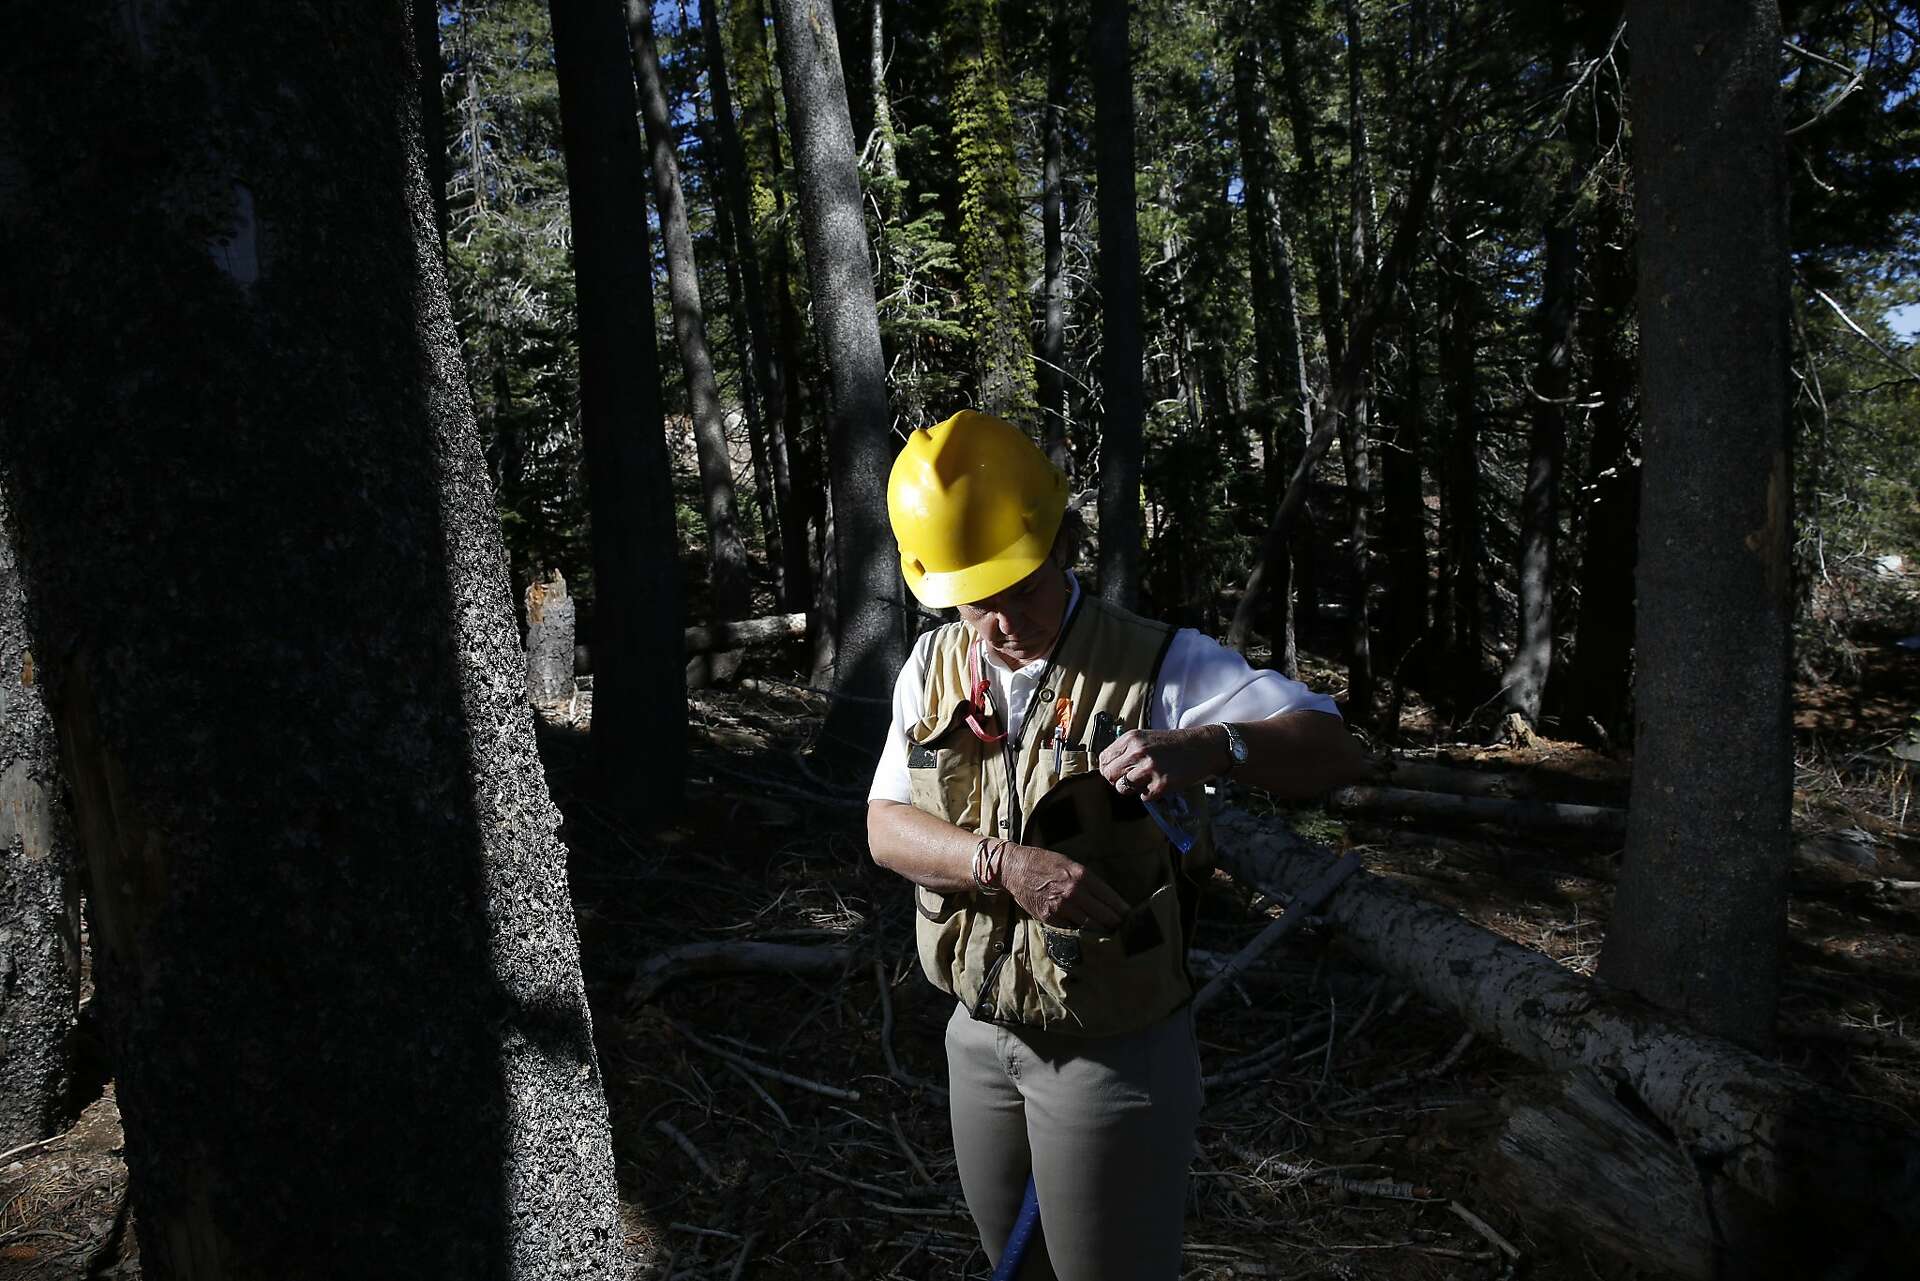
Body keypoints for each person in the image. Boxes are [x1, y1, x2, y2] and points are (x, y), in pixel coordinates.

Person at [867, 410, 1366, 1280]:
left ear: (1061, 543)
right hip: (977, 1038)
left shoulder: (1160, 664)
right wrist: (1002, 865)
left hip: (1111, 1049)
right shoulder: (932, 666)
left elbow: (1336, 746)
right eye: (971, 599)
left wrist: (1215, 747)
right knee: (1008, 1265)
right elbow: (885, 827)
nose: (996, 622)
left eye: (1017, 587)